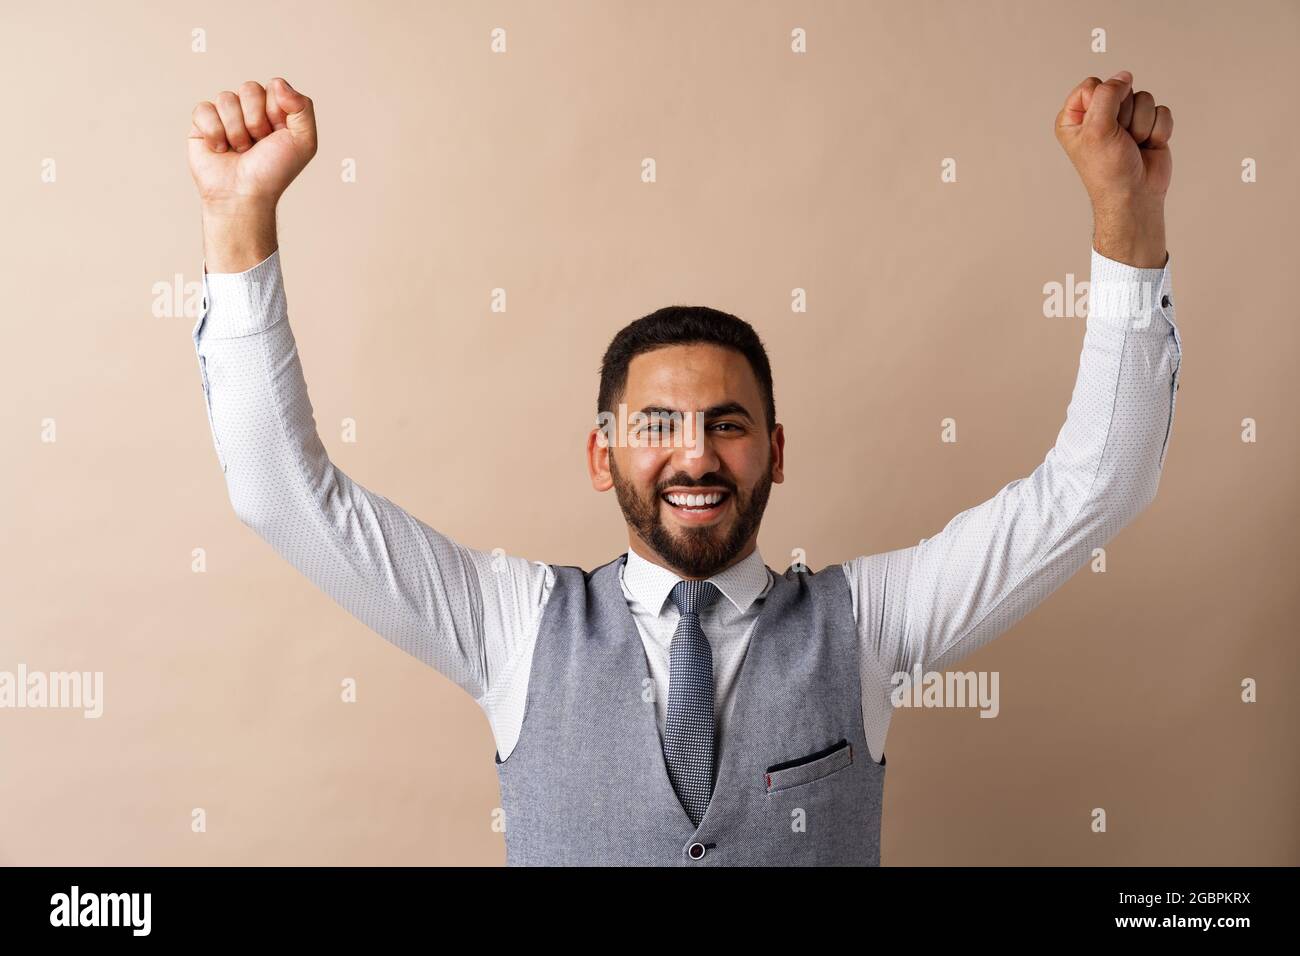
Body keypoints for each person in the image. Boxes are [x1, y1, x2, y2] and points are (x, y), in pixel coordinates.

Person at [187, 72, 1181, 865]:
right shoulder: (510, 627)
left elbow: (1096, 484)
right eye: (657, 422)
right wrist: (239, 225)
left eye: (728, 423)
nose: (695, 452)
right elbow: (279, 489)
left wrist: (1122, 218)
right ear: (600, 453)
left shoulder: (871, 624)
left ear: (776, 452)